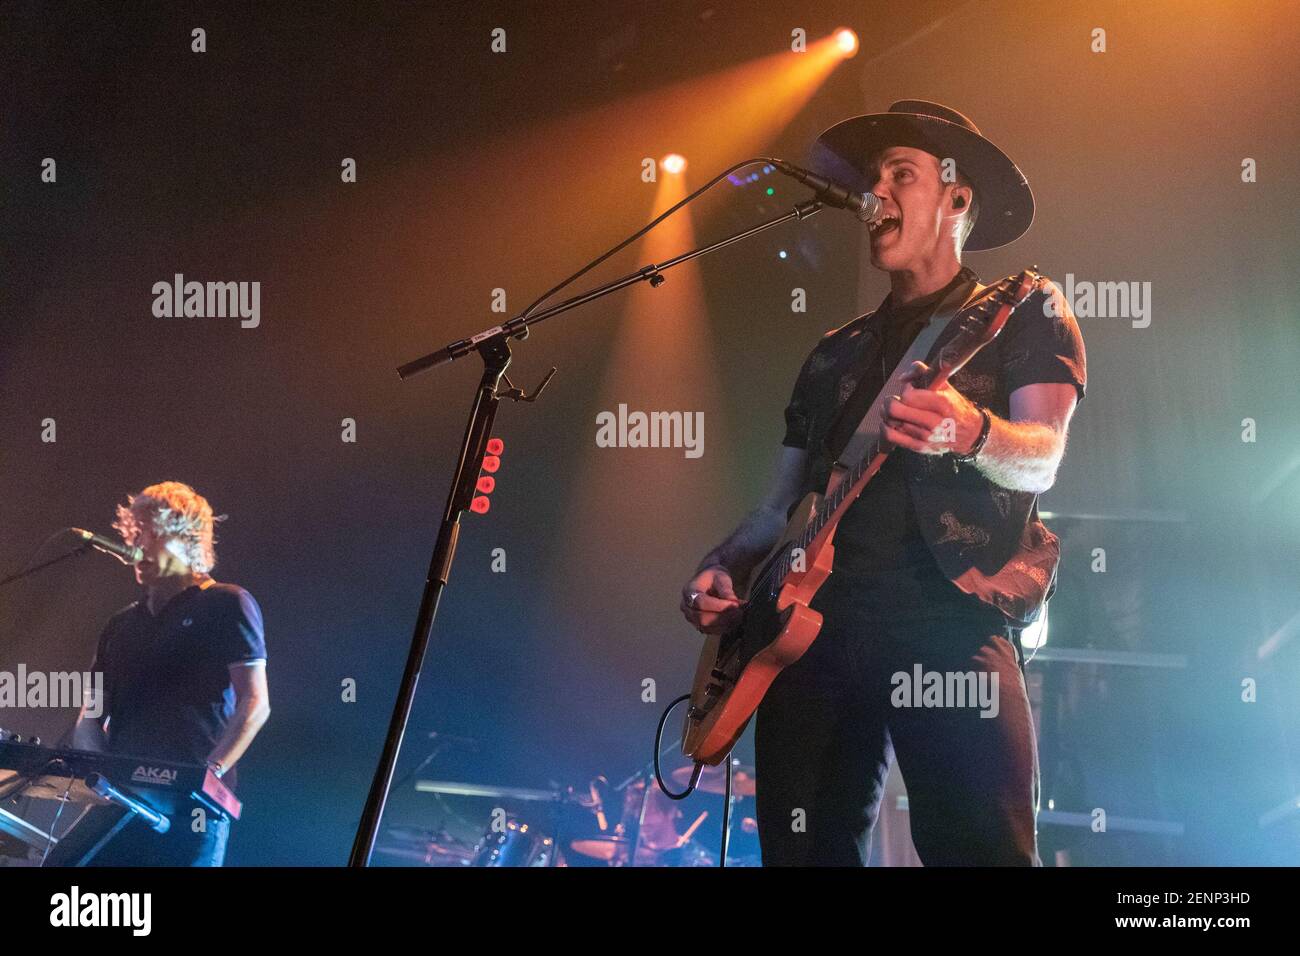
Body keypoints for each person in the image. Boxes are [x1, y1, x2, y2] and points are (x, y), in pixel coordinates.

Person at [680, 101, 1086, 866]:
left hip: (949, 619)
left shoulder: (1023, 311)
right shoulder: (835, 353)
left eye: (902, 174)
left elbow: (1044, 458)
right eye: (872, 179)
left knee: (982, 853)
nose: (876, 195)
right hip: (811, 637)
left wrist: (972, 433)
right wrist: (723, 564)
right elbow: (774, 508)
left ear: (958, 198)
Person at [64, 481, 269, 866]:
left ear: (185, 539)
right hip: (122, 802)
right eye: (133, 534)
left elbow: (255, 703)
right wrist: (103, 775)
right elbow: (89, 717)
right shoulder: (121, 624)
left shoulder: (226, 603)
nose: (135, 546)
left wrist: (209, 771)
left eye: (149, 535)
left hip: (190, 811)